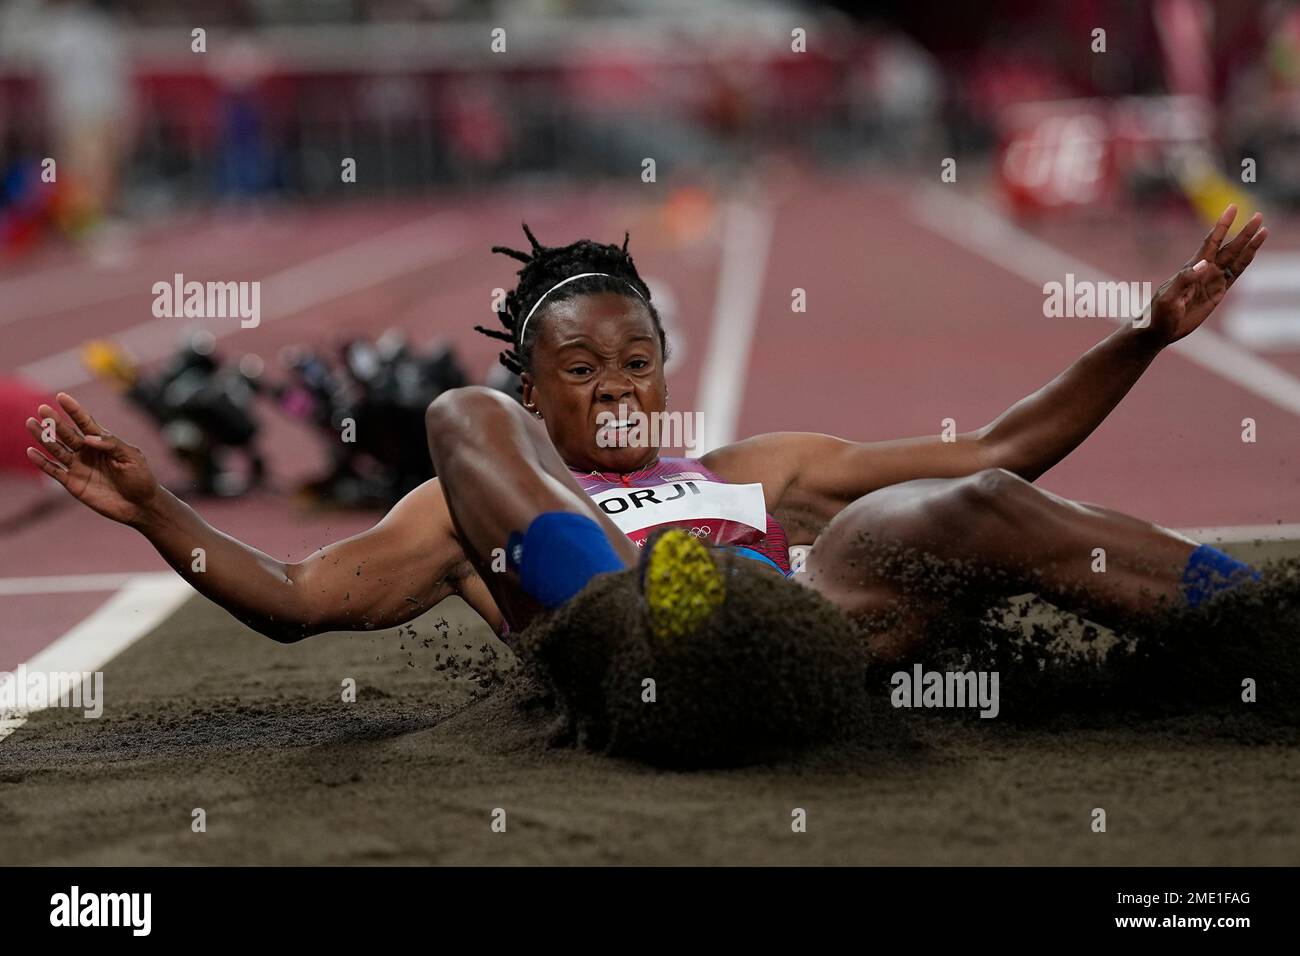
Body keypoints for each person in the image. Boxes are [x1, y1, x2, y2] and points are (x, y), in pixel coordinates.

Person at [23, 206, 1269, 661]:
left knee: (962, 501)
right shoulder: (470, 501)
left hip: (797, 649)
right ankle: (646, 608)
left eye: (639, 360)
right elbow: (296, 598)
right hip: (634, 677)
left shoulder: (747, 469)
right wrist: (155, 511)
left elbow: (1007, 440)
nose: (618, 387)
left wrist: (1147, 333)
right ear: (537, 387)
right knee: (452, 416)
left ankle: (1264, 622)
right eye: (581, 367)